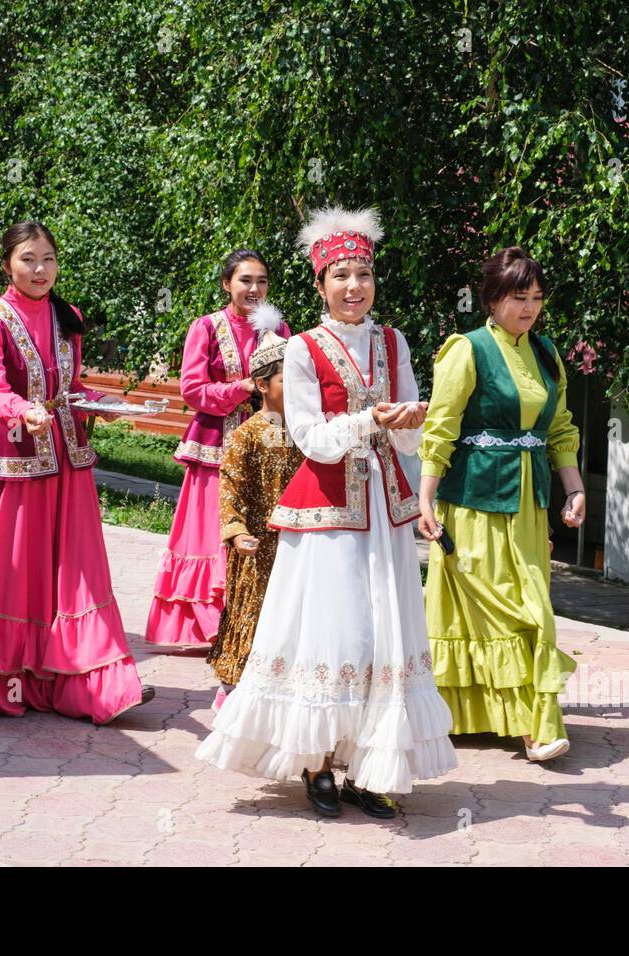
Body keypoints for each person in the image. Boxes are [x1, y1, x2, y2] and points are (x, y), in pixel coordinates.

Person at [197, 205, 458, 819]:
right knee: (331, 633)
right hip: (326, 519)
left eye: (363, 274)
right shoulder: (300, 350)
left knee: (382, 637)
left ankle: (371, 767)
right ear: (320, 284)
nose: (353, 287)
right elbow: (311, 438)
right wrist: (373, 419)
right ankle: (316, 762)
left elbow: (409, 439)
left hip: (384, 519)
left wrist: (410, 425)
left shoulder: (393, 341)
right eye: (339, 275)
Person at [0, 221, 153, 725]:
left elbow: (70, 384)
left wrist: (100, 405)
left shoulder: (66, 315)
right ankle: (5, 680)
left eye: (48, 259)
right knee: (15, 574)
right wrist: (21, 411)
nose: (40, 270)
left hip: (67, 460)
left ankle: (92, 683)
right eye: (29, 259)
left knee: (78, 571)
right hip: (15, 462)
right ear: (8, 263)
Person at [417, 247, 585, 762]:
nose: (529, 308)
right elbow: (440, 428)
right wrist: (425, 498)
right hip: (471, 502)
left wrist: (575, 489)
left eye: (536, 298)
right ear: (491, 299)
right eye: (518, 297)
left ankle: (525, 719)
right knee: (499, 611)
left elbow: (559, 428)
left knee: (531, 603)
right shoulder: (466, 351)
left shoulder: (547, 352)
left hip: (529, 506)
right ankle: (514, 723)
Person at [145, 251, 290, 648]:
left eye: (262, 280)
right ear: (227, 284)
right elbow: (191, 389)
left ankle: (255, 618)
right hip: (214, 447)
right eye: (245, 280)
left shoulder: (278, 329)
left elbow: (293, 381)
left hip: (266, 444)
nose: (254, 289)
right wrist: (238, 389)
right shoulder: (206, 327)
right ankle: (210, 621)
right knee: (212, 531)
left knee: (260, 527)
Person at [205, 303, 304, 711]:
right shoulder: (246, 435)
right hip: (257, 543)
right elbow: (230, 487)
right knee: (253, 608)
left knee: (291, 612)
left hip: (297, 541)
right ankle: (233, 684)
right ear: (262, 384)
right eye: (287, 379)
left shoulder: (306, 431)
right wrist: (236, 529)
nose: (297, 387)